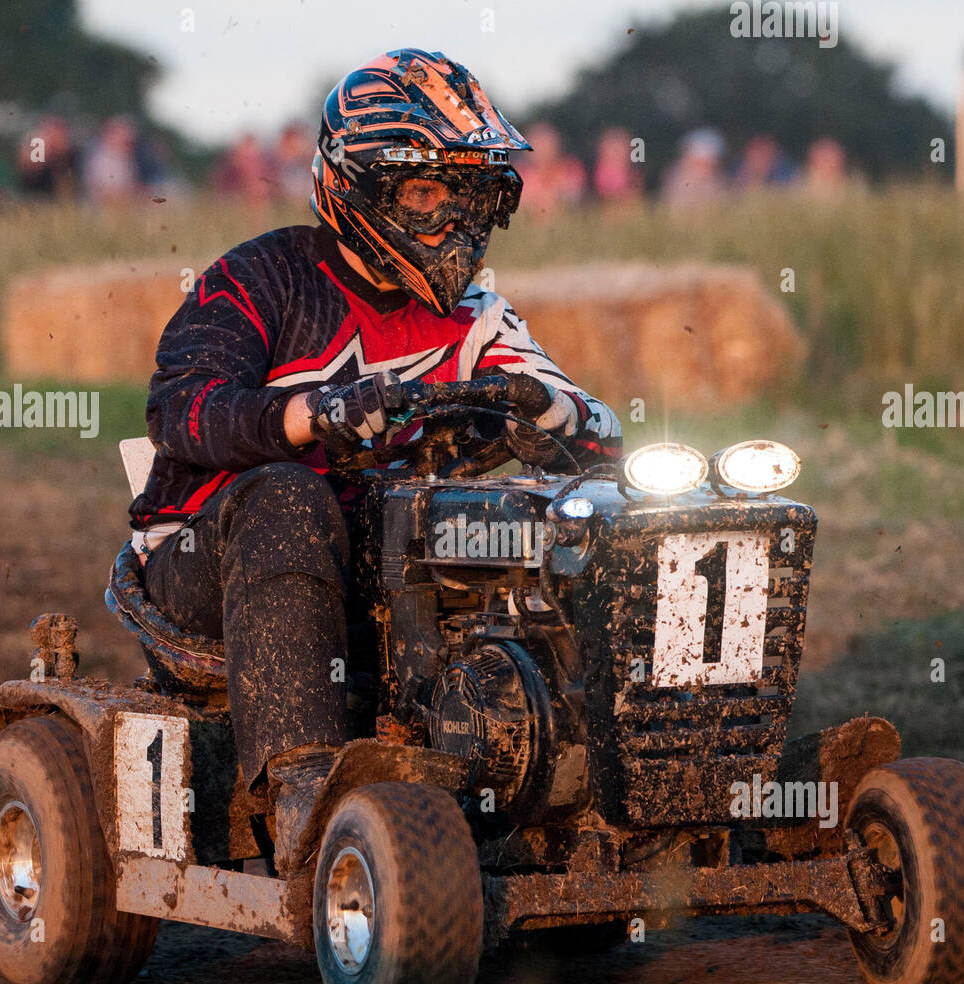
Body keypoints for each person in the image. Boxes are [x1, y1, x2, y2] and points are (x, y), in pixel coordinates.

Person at [129, 49, 622, 791]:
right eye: (426, 191)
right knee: (292, 494)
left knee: (563, 516)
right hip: (206, 571)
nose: (453, 216)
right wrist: (313, 415)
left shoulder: (478, 319)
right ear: (359, 183)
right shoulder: (260, 278)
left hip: (386, 578)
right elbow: (181, 412)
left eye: (470, 193)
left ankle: (588, 761)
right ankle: (303, 786)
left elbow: (599, 430)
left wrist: (540, 411)